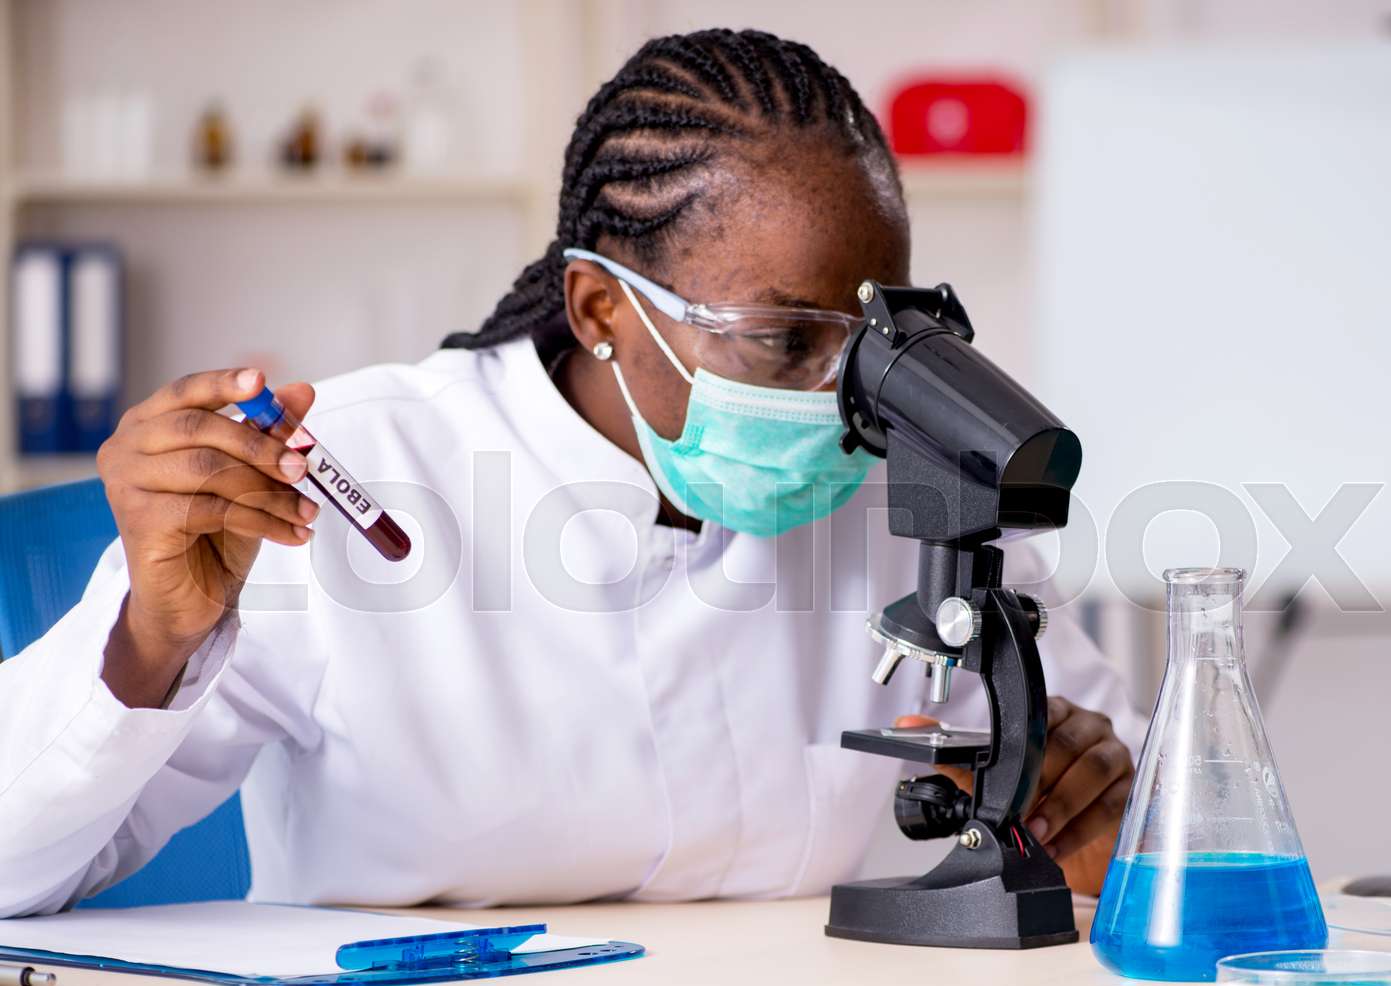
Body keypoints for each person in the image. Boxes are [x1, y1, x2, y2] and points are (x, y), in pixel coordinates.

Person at [0, 29, 1138, 917]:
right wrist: (150, 640)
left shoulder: (908, 491)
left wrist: (1106, 830)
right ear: (603, 308)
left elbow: (1157, 802)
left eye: (866, 341)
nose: (832, 394)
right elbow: (18, 875)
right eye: (782, 338)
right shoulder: (357, 473)